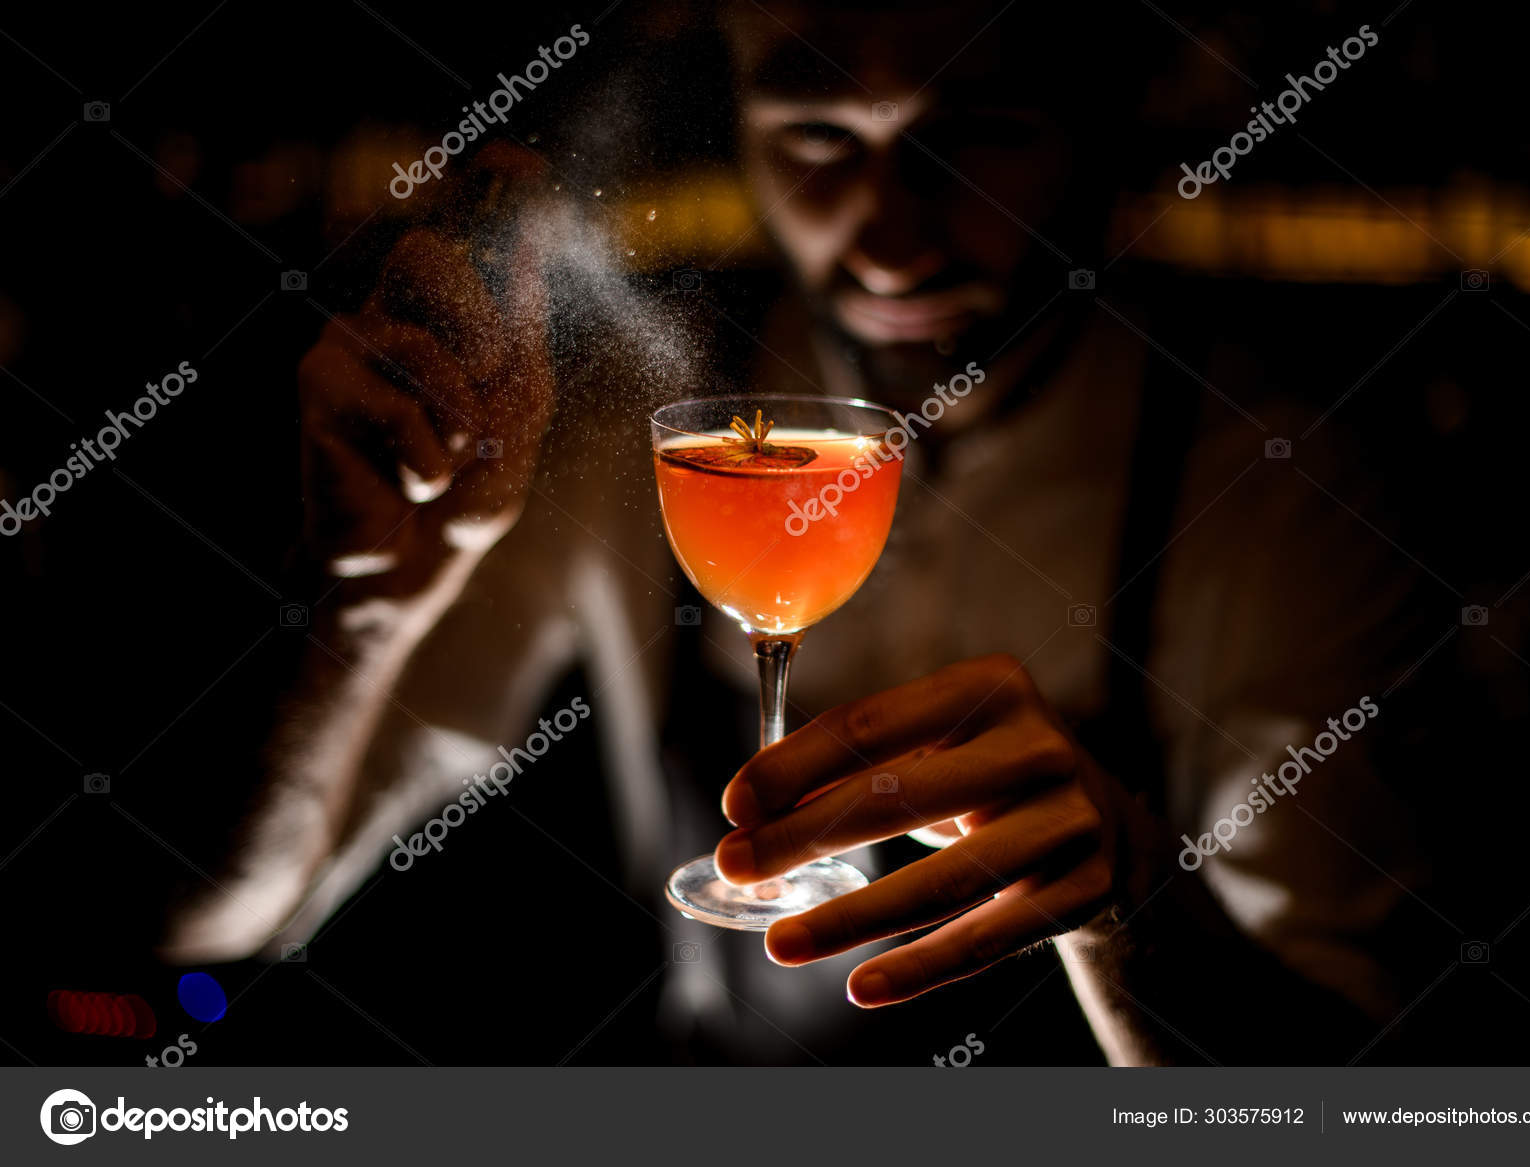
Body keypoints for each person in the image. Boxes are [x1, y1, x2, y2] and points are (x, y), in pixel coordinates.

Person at [160, 1, 1444, 1063]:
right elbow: (215, 921)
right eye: (819, 134)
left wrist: (1132, 922)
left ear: (1100, 132)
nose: (887, 235)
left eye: (979, 130)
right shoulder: (627, 431)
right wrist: (362, 614)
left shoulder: (1271, 490)